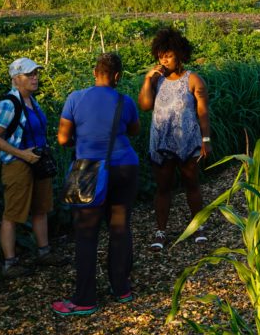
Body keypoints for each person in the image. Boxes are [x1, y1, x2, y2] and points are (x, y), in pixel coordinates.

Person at [51, 53, 141, 316]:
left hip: (87, 167)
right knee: (120, 228)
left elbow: (62, 138)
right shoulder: (125, 102)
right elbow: (133, 130)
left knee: (86, 234)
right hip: (125, 166)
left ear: (94, 72)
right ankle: (121, 288)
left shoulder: (75, 98)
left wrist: (80, 142)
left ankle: (85, 299)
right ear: (117, 76)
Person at [0, 57, 67, 278]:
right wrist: (22, 154)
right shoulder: (8, 104)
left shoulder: (32, 101)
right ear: (16, 79)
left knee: (41, 208)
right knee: (12, 214)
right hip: (17, 165)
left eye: (36, 73)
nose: (35, 77)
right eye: (30, 74)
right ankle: (10, 264)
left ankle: (44, 252)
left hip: (37, 161)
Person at [138, 27, 212, 251]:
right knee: (163, 188)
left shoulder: (193, 80)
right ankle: (161, 231)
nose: (164, 60)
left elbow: (203, 112)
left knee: (192, 183)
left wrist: (206, 139)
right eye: (160, 56)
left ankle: (198, 226)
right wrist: (147, 80)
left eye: (168, 55)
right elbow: (144, 106)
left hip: (188, 141)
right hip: (161, 143)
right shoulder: (156, 81)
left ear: (180, 54)